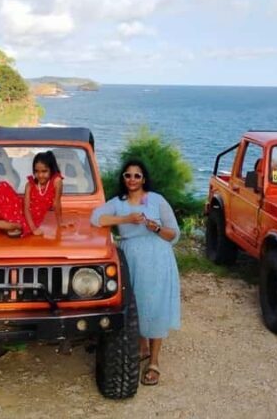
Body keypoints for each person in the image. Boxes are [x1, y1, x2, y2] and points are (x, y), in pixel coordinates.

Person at [90, 159, 181, 387]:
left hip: (158, 256)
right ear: (123, 178)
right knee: (137, 303)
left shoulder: (156, 200)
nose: (132, 180)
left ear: (144, 178)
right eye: (128, 175)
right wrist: (126, 219)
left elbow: (174, 234)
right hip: (132, 258)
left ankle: (155, 361)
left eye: (137, 176)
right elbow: (96, 218)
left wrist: (156, 228)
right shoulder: (118, 203)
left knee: (156, 305)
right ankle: (141, 347)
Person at [0, 151, 63, 238]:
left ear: (51, 169)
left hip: (34, 218)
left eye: (44, 171)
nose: (40, 175)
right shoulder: (30, 185)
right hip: (21, 209)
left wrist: (60, 223)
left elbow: (56, 204)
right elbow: (26, 208)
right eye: (36, 171)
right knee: (3, 187)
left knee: (17, 225)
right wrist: (33, 229)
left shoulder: (56, 182)